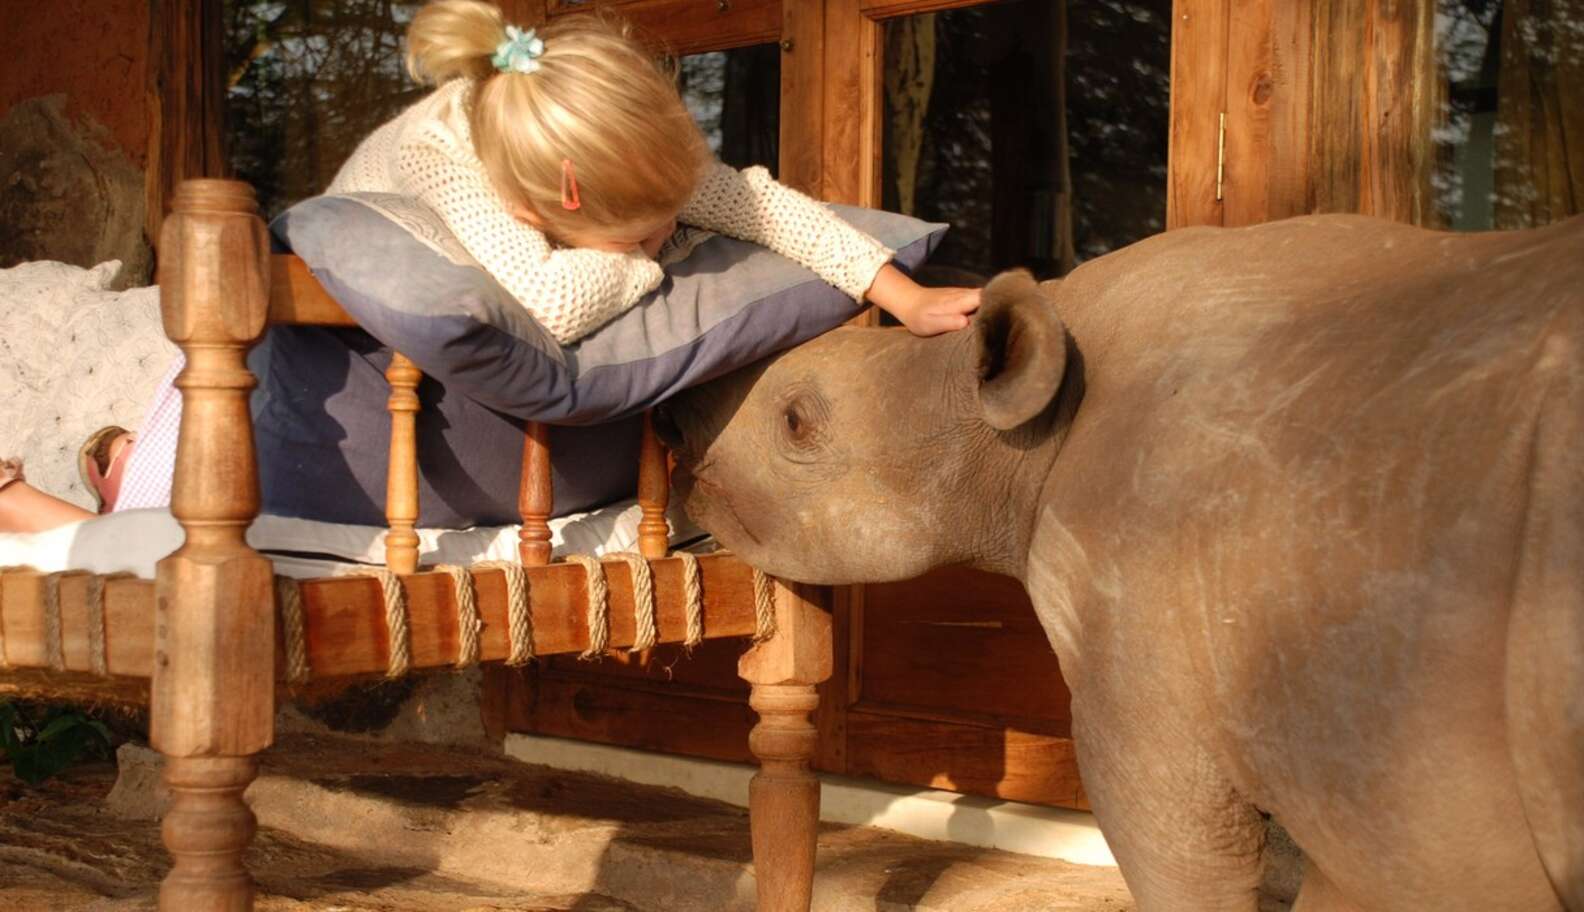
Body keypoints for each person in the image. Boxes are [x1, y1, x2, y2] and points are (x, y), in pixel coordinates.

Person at [329, 0, 981, 343]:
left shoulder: (620, 150)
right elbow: (552, 303)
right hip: (338, 328)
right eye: (640, 234)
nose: (666, 234)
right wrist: (651, 262)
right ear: (548, 205)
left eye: (669, 220)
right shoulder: (449, 170)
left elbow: (763, 207)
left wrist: (906, 298)